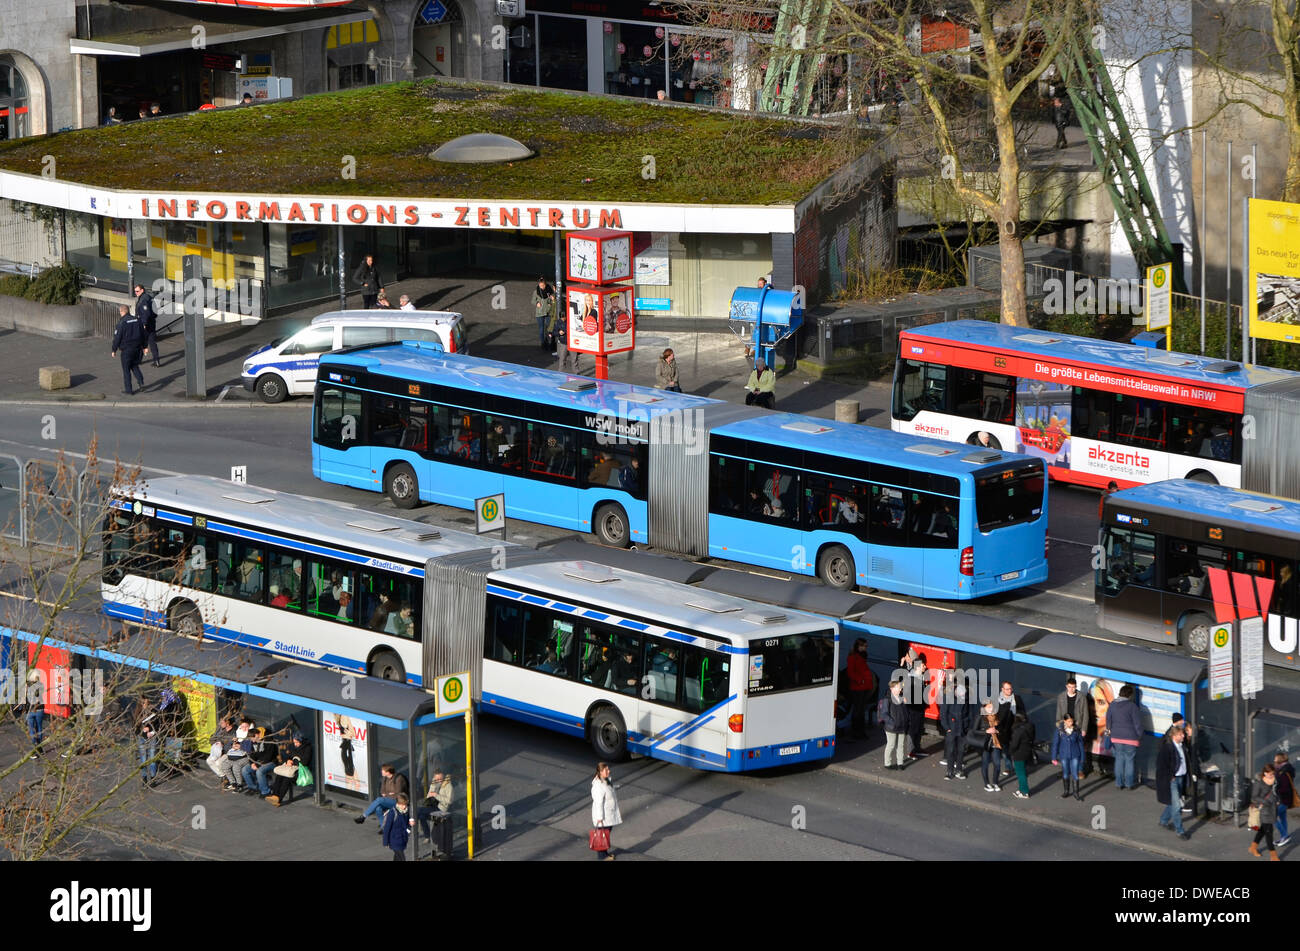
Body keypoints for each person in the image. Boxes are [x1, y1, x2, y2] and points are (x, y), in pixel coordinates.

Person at [1156, 723, 1191, 839]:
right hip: (1173, 779)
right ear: (1174, 735)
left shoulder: (1182, 745)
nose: (1183, 736)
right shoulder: (1168, 748)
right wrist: (1170, 776)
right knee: (1177, 806)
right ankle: (1180, 830)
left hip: (1181, 777)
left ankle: (1163, 820)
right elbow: (1162, 764)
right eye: (1181, 734)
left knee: (1173, 803)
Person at [939, 673, 976, 780]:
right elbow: (943, 713)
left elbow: (971, 713)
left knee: (961, 750)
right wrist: (947, 727)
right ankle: (949, 771)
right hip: (952, 727)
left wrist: (969, 726)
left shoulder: (968, 697)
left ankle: (959, 770)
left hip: (963, 728)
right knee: (950, 751)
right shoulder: (949, 697)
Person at [1106, 683, 1143, 789]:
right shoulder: (1132, 706)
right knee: (1129, 761)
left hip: (1116, 737)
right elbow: (1137, 724)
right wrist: (1139, 736)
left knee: (1119, 759)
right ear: (1130, 695)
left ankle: (1119, 783)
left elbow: (1108, 721)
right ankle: (1129, 783)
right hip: (1131, 738)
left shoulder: (1112, 705)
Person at [357, 763, 409, 829]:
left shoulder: (399, 778)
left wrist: (388, 794)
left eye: (383, 770)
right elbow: (382, 791)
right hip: (388, 800)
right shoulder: (385, 778)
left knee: (379, 799)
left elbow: (398, 793)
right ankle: (383, 827)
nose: (381, 772)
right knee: (378, 808)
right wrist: (390, 793)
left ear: (388, 772)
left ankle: (364, 816)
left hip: (398, 801)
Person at [111, 303, 148, 395]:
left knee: (126, 369)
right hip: (137, 349)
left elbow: (117, 338)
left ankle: (129, 390)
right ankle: (141, 382)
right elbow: (144, 334)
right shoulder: (137, 320)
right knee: (134, 365)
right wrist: (145, 346)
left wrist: (114, 350)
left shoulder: (121, 323)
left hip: (127, 350)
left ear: (121, 312)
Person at [266, 732, 312, 805]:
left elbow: (305, 762)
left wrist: (293, 762)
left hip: (300, 770)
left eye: (297, 742)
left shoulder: (307, 748)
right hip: (291, 768)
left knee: (287, 778)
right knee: (279, 775)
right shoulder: (293, 747)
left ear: (301, 741)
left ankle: (279, 799)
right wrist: (287, 761)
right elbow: (288, 756)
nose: (295, 744)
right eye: (294, 742)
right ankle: (274, 796)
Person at [416, 770, 454, 858]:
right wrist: (431, 794)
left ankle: (408, 826)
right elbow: (429, 795)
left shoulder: (448, 786)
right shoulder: (434, 782)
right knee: (421, 815)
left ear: (443, 777)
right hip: (432, 805)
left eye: (440, 779)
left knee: (419, 812)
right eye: (436, 779)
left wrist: (436, 795)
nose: (438, 781)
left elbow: (449, 801)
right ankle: (427, 835)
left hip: (441, 808)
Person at [590, 762, 622, 860]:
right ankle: (602, 857)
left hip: (608, 814)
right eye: (606, 770)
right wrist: (599, 818)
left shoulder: (605, 780)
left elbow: (607, 790)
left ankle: (605, 854)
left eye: (608, 769)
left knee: (605, 834)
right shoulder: (598, 786)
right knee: (602, 835)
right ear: (600, 772)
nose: (609, 771)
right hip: (603, 816)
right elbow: (598, 803)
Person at [1249, 765, 1281, 860]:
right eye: (1270, 774)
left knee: (1262, 831)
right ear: (1265, 773)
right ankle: (1274, 856)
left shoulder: (1274, 782)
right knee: (1269, 832)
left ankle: (1253, 848)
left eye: (1273, 773)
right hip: (1264, 810)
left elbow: (1276, 793)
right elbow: (1254, 797)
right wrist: (1266, 802)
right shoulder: (1259, 784)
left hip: (1273, 809)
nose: (1272, 775)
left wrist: (1278, 799)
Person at [845, 638, 874, 741]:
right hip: (858, 687)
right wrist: (860, 680)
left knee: (861, 709)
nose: (866, 648)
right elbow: (851, 672)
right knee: (858, 710)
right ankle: (856, 732)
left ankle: (860, 731)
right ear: (859, 646)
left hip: (864, 686)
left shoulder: (861, 656)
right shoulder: (853, 657)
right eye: (864, 646)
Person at [1051, 713, 1086, 801]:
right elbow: (1055, 744)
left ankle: (1076, 793)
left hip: (1075, 754)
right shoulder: (1059, 730)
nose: (1071, 723)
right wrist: (1053, 757)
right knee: (1065, 773)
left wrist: (1082, 757)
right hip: (1064, 755)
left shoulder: (1076, 730)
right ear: (1065, 721)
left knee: (1075, 774)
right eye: (1069, 721)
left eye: (1072, 721)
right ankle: (1066, 791)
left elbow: (1081, 744)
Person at [995, 681, 1025, 779]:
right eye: (1007, 689)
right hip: (1003, 729)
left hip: (1014, 728)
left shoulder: (1017, 698)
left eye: (1011, 688)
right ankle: (1008, 767)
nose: (1009, 691)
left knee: (1016, 748)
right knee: (1005, 750)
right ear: (1002, 690)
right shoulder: (998, 700)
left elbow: (1022, 712)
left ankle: (1018, 767)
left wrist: (1020, 723)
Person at [902, 652, 928, 759]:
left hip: (919, 708)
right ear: (917, 667)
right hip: (914, 709)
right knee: (913, 729)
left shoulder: (920, 677)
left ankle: (917, 748)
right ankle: (911, 750)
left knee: (919, 728)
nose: (925, 666)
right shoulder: (912, 679)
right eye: (923, 665)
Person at [973, 701, 1003, 792]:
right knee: (985, 764)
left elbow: (1002, 728)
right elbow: (974, 731)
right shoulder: (980, 717)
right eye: (988, 707)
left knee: (997, 764)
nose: (990, 709)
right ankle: (986, 783)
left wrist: (998, 731)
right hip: (985, 743)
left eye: (992, 707)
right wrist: (986, 731)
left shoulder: (997, 716)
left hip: (995, 743)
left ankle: (995, 782)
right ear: (984, 708)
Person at [879, 678, 909, 770]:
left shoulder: (901, 699)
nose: (900, 689)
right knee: (891, 745)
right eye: (898, 687)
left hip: (901, 726)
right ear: (892, 689)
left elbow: (905, 713)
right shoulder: (887, 699)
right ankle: (887, 763)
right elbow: (884, 714)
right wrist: (893, 723)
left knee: (901, 745)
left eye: (900, 688)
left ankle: (900, 763)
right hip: (891, 727)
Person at [241, 727, 279, 798]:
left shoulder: (268, 741)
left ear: (256, 735)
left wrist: (257, 765)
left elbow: (269, 756)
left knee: (260, 771)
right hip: (258, 762)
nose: (251, 740)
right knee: (245, 770)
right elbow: (251, 754)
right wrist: (252, 763)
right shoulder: (254, 743)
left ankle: (266, 792)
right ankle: (253, 787)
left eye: (252, 738)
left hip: (271, 762)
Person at [1008, 712, 1035, 799]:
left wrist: (1010, 751)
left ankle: (1024, 792)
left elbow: (1014, 745)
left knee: (1020, 773)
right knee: (1022, 772)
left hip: (1018, 754)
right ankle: (1021, 789)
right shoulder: (1030, 726)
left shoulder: (1018, 731)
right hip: (1027, 751)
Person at [1274, 752, 1295, 847]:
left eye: (1275, 760)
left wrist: (1276, 790)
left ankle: (1285, 835)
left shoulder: (1283, 772)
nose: (1274, 762)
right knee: (1282, 817)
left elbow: (1284, 788)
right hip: (1285, 799)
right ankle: (1284, 837)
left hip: (1282, 799)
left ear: (1280, 761)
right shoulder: (1285, 769)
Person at [383, 793, 411, 861]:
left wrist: (410, 826)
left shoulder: (406, 811)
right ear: (398, 803)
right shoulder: (392, 813)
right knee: (402, 858)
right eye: (403, 804)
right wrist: (385, 842)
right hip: (394, 840)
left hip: (403, 839)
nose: (404, 806)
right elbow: (387, 828)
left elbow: (406, 825)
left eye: (405, 804)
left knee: (397, 857)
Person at [532, 277, 556, 350]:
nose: (542, 287)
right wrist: (537, 303)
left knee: (549, 328)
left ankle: (550, 343)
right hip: (540, 313)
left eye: (543, 285)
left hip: (548, 312)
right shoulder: (536, 291)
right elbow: (532, 301)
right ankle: (543, 343)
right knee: (541, 329)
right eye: (540, 285)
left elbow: (553, 299)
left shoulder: (549, 290)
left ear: (545, 284)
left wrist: (552, 300)